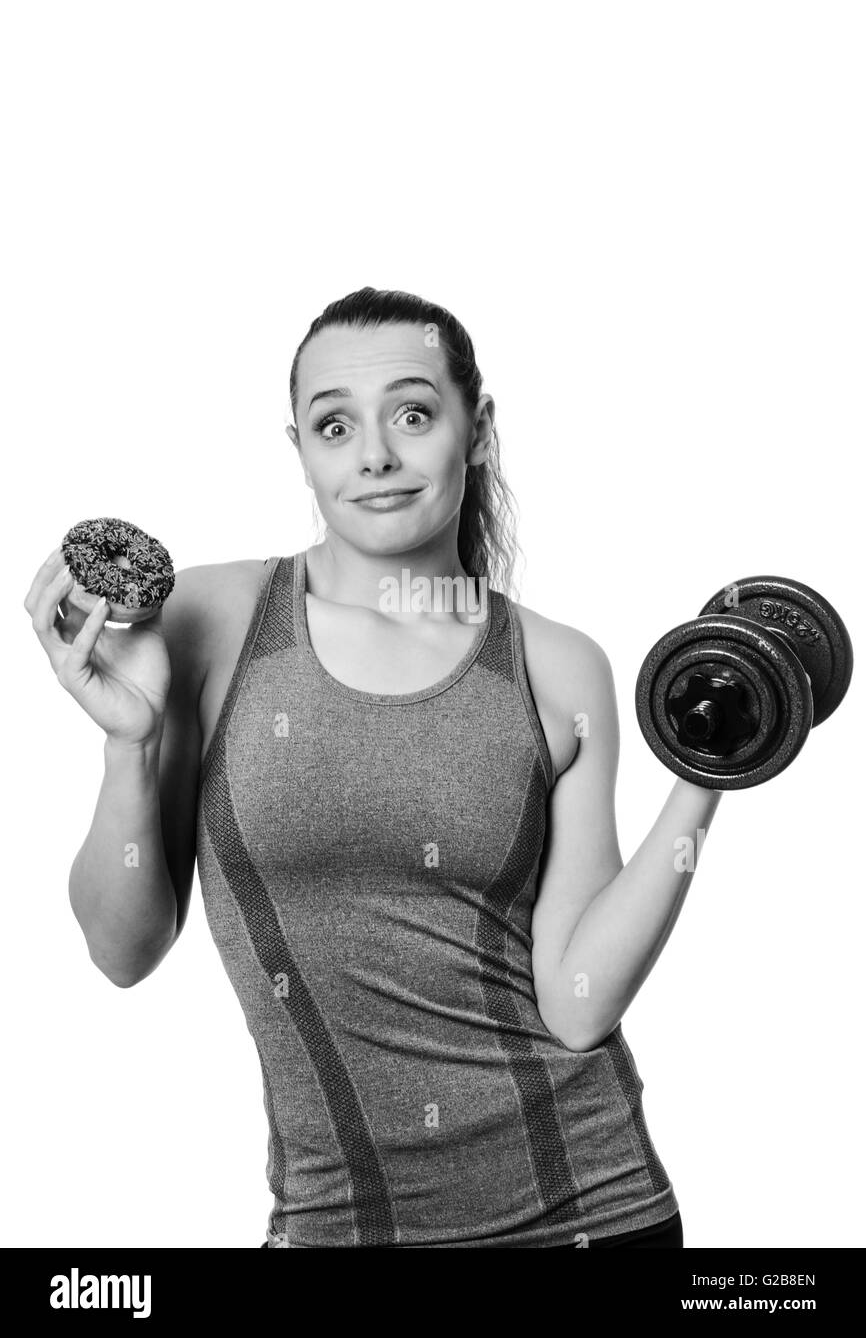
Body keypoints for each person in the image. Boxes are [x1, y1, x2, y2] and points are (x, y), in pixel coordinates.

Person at [25, 286, 720, 1248]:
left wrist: (707, 775)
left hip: (589, 1213)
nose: (376, 456)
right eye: (335, 425)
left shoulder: (560, 668)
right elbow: (121, 950)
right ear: (299, 449)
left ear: (474, 431)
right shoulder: (209, 623)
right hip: (333, 1223)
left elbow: (576, 1002)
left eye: (413, 414)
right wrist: (130, 745)